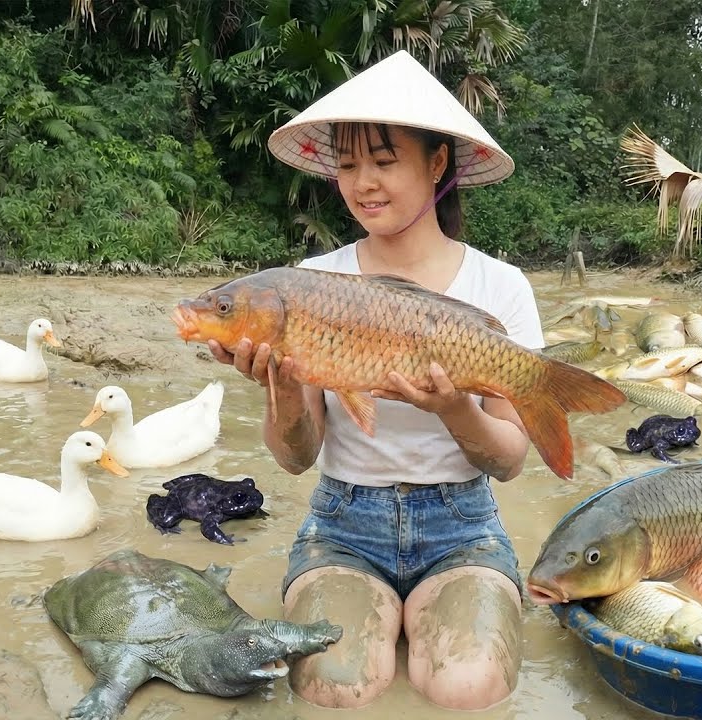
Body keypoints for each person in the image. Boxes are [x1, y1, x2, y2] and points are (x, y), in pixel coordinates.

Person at [208, 50, 542, 711]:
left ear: (437, 164)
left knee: (468, 686)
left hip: (463, 526)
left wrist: (456, 411)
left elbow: (507, 462)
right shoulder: (310, 281)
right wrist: (279, 385)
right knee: (332, 685)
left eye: (385, 161)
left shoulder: (500, 287)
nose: (365, 182)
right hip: (342, 524)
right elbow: (296, 458)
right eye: (350, 164)